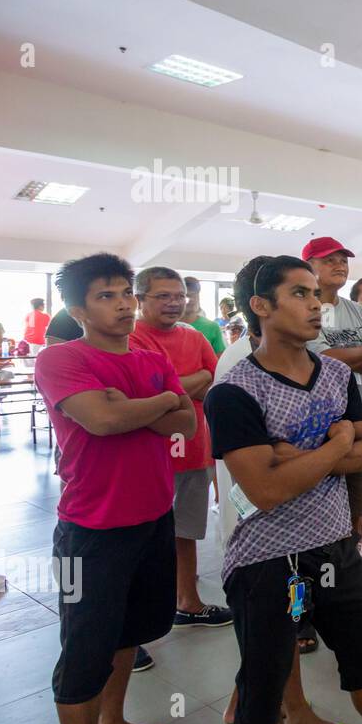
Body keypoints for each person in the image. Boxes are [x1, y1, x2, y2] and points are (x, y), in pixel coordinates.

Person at [203, 255, 362, 724]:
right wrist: (334, 448)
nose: (316, 306)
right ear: (261, 306)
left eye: (316, 294)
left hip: (336, 548)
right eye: (300, 294)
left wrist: (293, 459)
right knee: (264, 686)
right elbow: (264, 490)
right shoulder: (232, 390)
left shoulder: (333, 375)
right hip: (265, 560)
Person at [34, 252, 196, 724]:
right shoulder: (62, 359)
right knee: (85, 646)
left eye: (126, 293)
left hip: (152, 519)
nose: (123, 305)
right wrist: (161, 402)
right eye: (106, 296)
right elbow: (102, 422)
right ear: (78, 310)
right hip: (92, 529)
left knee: (129, 633)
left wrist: (128, 406)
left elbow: (186, 423)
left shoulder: (152, 358)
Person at [129, 267, 232, 631]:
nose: (175, 303)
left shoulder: (192, 335)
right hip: (148, 454)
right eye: (163, 296)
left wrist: (182, 387)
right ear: (140, 299)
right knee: (140, 537)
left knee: (186, 530)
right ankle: (132, 625)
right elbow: (147, 395)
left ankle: (187, 602)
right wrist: (196, 380)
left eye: (179, 296)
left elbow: (217, 385)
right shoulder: (131, 338)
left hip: (194, 448)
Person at [302, 237, 362, 592]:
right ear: (310, 267)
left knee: (361, 496)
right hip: (323, 422)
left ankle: (351, 563)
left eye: (342, 259)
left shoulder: (357, 311)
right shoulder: (304, 309)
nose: (339, 265)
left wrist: (351, 355)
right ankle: (314, 576)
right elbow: (321, 362)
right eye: (329, 260)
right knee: (320, 501)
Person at [181, 277, 226, 356]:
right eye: (186, 296)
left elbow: (219, 363)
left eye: (194, 295)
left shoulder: (212, 327)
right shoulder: (168, 326)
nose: (191, 300)